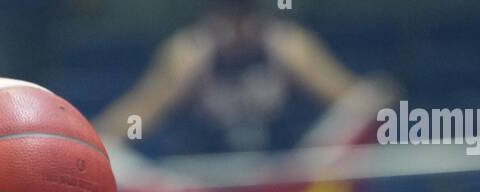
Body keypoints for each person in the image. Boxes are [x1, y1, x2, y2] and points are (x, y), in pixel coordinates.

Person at [93, 0, 358, 155]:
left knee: (360, 114)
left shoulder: (287, 43)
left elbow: (354, 103)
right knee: (115, 157)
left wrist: (377, 98)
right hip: (203, 182)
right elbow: (138, 114)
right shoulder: (189, 50)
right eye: (228, 15)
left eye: (244, 15)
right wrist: (91, 141)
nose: (237, 28)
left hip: (283, 174)